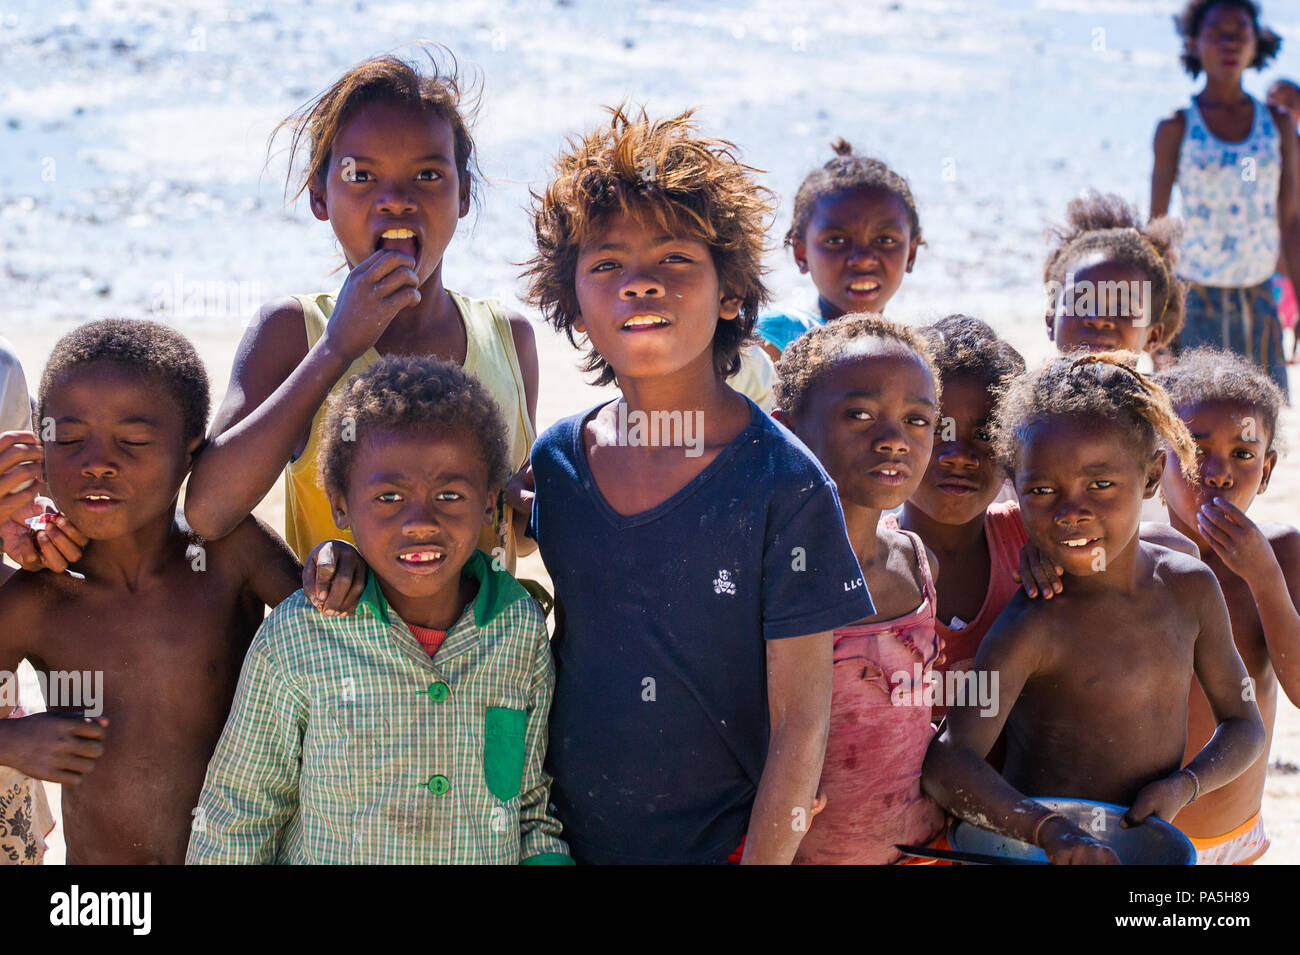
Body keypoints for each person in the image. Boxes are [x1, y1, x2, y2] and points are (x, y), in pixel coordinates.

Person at [523, 107, 875, 864]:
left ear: (729, 292)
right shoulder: (555, 462)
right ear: (575, 307)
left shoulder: (785, 483)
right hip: (562, 842)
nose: (641, 284)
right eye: (607, 265)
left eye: (676, 259)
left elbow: (801, 722)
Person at [187, 357, 568, 864]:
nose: (419, 522)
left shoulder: (518, 629)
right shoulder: (300, 635)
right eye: (389, 497)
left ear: (490, 502)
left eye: (450, 494)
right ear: (341, 506)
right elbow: (239, 810)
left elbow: (529, 803)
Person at [181, 47, 539, 571]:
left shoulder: (508, 339)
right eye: (362, 176)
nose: (396, 199)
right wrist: (337, 346)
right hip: (340, 650)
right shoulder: (294, 333)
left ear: (465, 195)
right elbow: (208, 513)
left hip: (480, 652)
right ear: (319, 196)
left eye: (429, 175)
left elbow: (510, 533)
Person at [922, 353, 1265, 864]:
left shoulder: (1190, 589)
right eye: (1042, 490)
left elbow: (1243, 723)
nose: (1071, 511)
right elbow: (947, 763)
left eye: (1101, 485)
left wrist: (1185, 787)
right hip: (1036, 854)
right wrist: (1048, 831)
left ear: (1150, 478)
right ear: (1015, 489)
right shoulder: (1035, 621)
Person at [0, 319, 301, 863]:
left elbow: (334, 635)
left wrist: (335, 559)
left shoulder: (232, 553)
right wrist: (10, 742)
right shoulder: (38, 599)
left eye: (133, 441)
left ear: (191, 454)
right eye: (68, 440)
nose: (96, 462)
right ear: (40, 448)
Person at [771, 314, 947, 864]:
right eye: (860, 414)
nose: (894, 439)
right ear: (788, 429)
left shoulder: (918, 565)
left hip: (920, 848)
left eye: (917, 420)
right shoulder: (764, 581)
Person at [1154, 348, 1300, 863]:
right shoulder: (1132, 557)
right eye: (1195, 450)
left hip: (1234, 838)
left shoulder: (1284, 553)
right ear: (1156, 463)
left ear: (1267, 472)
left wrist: (1264, 579)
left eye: (1243, 454)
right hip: (1137, 837)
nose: (1218, 473)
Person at [1151, 0, 1297, 397]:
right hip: (1193, 304)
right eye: (1218, 32)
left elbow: (1291, 221)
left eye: (1240, 33)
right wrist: (1155, 318)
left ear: (1256, 44)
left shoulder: (1278, 125)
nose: (1230, 42)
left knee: (1259, 430)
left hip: (1260, 299)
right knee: (1194, 427)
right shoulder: (1176, 127)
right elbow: (1157, 232)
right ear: (1195, 42)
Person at [729, 140, 922, 409]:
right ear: (801, 253)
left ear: (911, 253)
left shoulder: (913, 357)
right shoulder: (771, 341)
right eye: (837, 241)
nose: (863, 259)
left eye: (886, 240)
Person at [898, 316, 1027, 690]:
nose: (959, 456)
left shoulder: (1034, 542)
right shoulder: (865, 559)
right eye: (937, 428)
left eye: (986, 433)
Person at [1042, 193, 1186, 364]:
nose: (1098, 319)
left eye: (1122, 308)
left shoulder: (1166, 392)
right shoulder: (1024, 390)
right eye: (1080, 303)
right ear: (1051, 320)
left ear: (1152, 337)